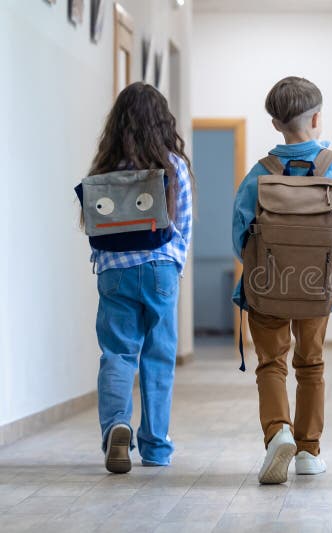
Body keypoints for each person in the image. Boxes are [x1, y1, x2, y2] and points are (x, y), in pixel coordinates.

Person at [232, 76, 332, 484]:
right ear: (317, 118)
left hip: (266, 285)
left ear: (274, 123)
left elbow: (239, 236)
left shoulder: (258, 173)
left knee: (271, 362)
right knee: (312, 363)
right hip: (317, 284)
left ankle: (277, 434)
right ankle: (308, 451)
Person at [83, 82, 194, 473]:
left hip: (114, 271)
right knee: (159, 358)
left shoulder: (105, 168)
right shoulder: (172, 165)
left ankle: (116, 425)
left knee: (118, 353)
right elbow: (183, 226)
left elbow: (94, 225)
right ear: (162, 121)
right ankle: (156, 448)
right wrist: (173, 266)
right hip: (160, 268)